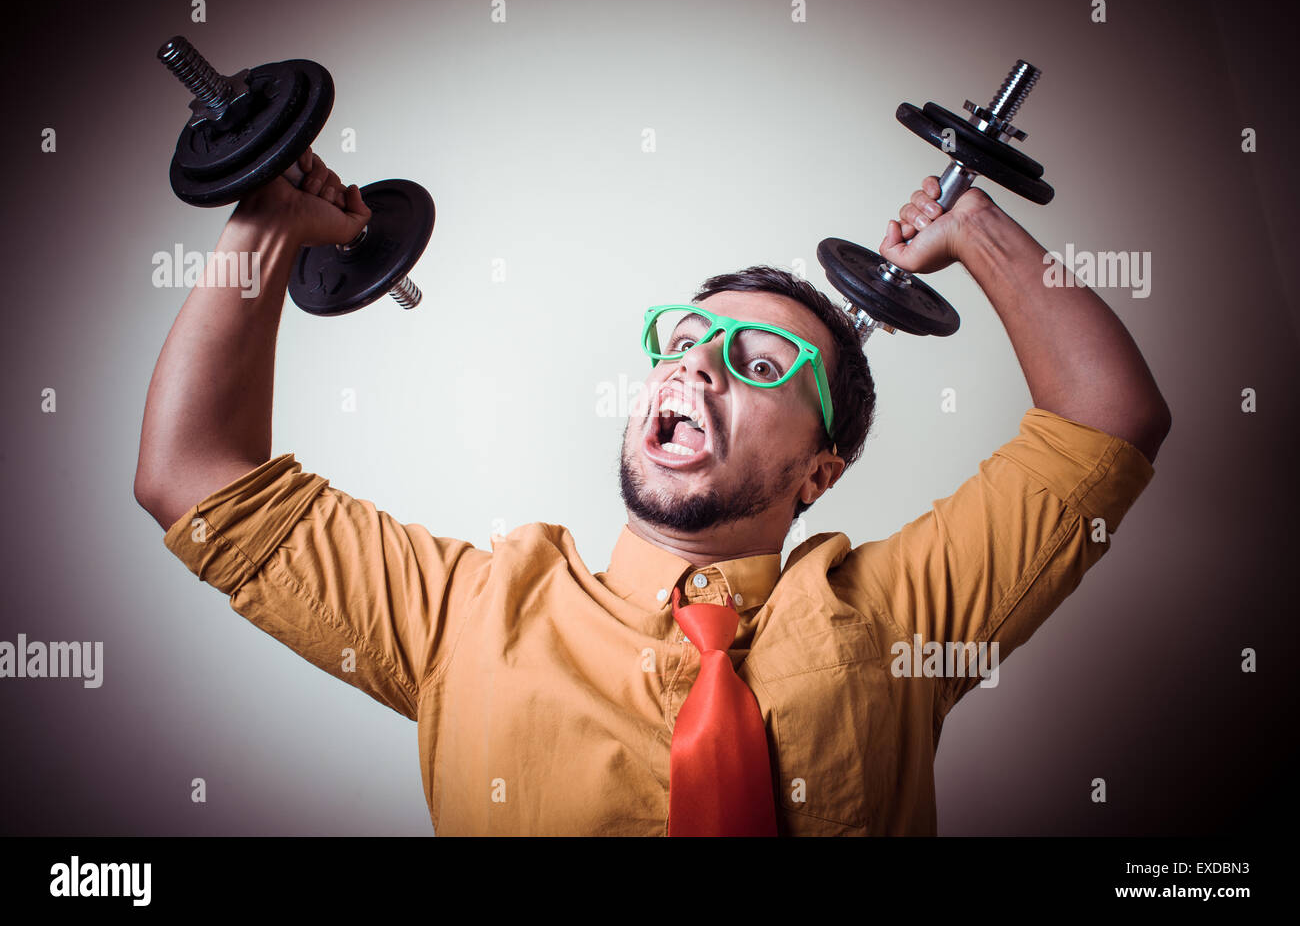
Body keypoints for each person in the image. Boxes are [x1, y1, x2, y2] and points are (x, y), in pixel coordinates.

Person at [134, 148, 1171, 836]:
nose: (696, 368)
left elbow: (1107, 420)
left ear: (822, 469)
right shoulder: (463, 614)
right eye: (682, 343)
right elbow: (195, 477)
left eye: (758, 361)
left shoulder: (902, 616)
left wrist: (974, 230)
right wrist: (264, 227)